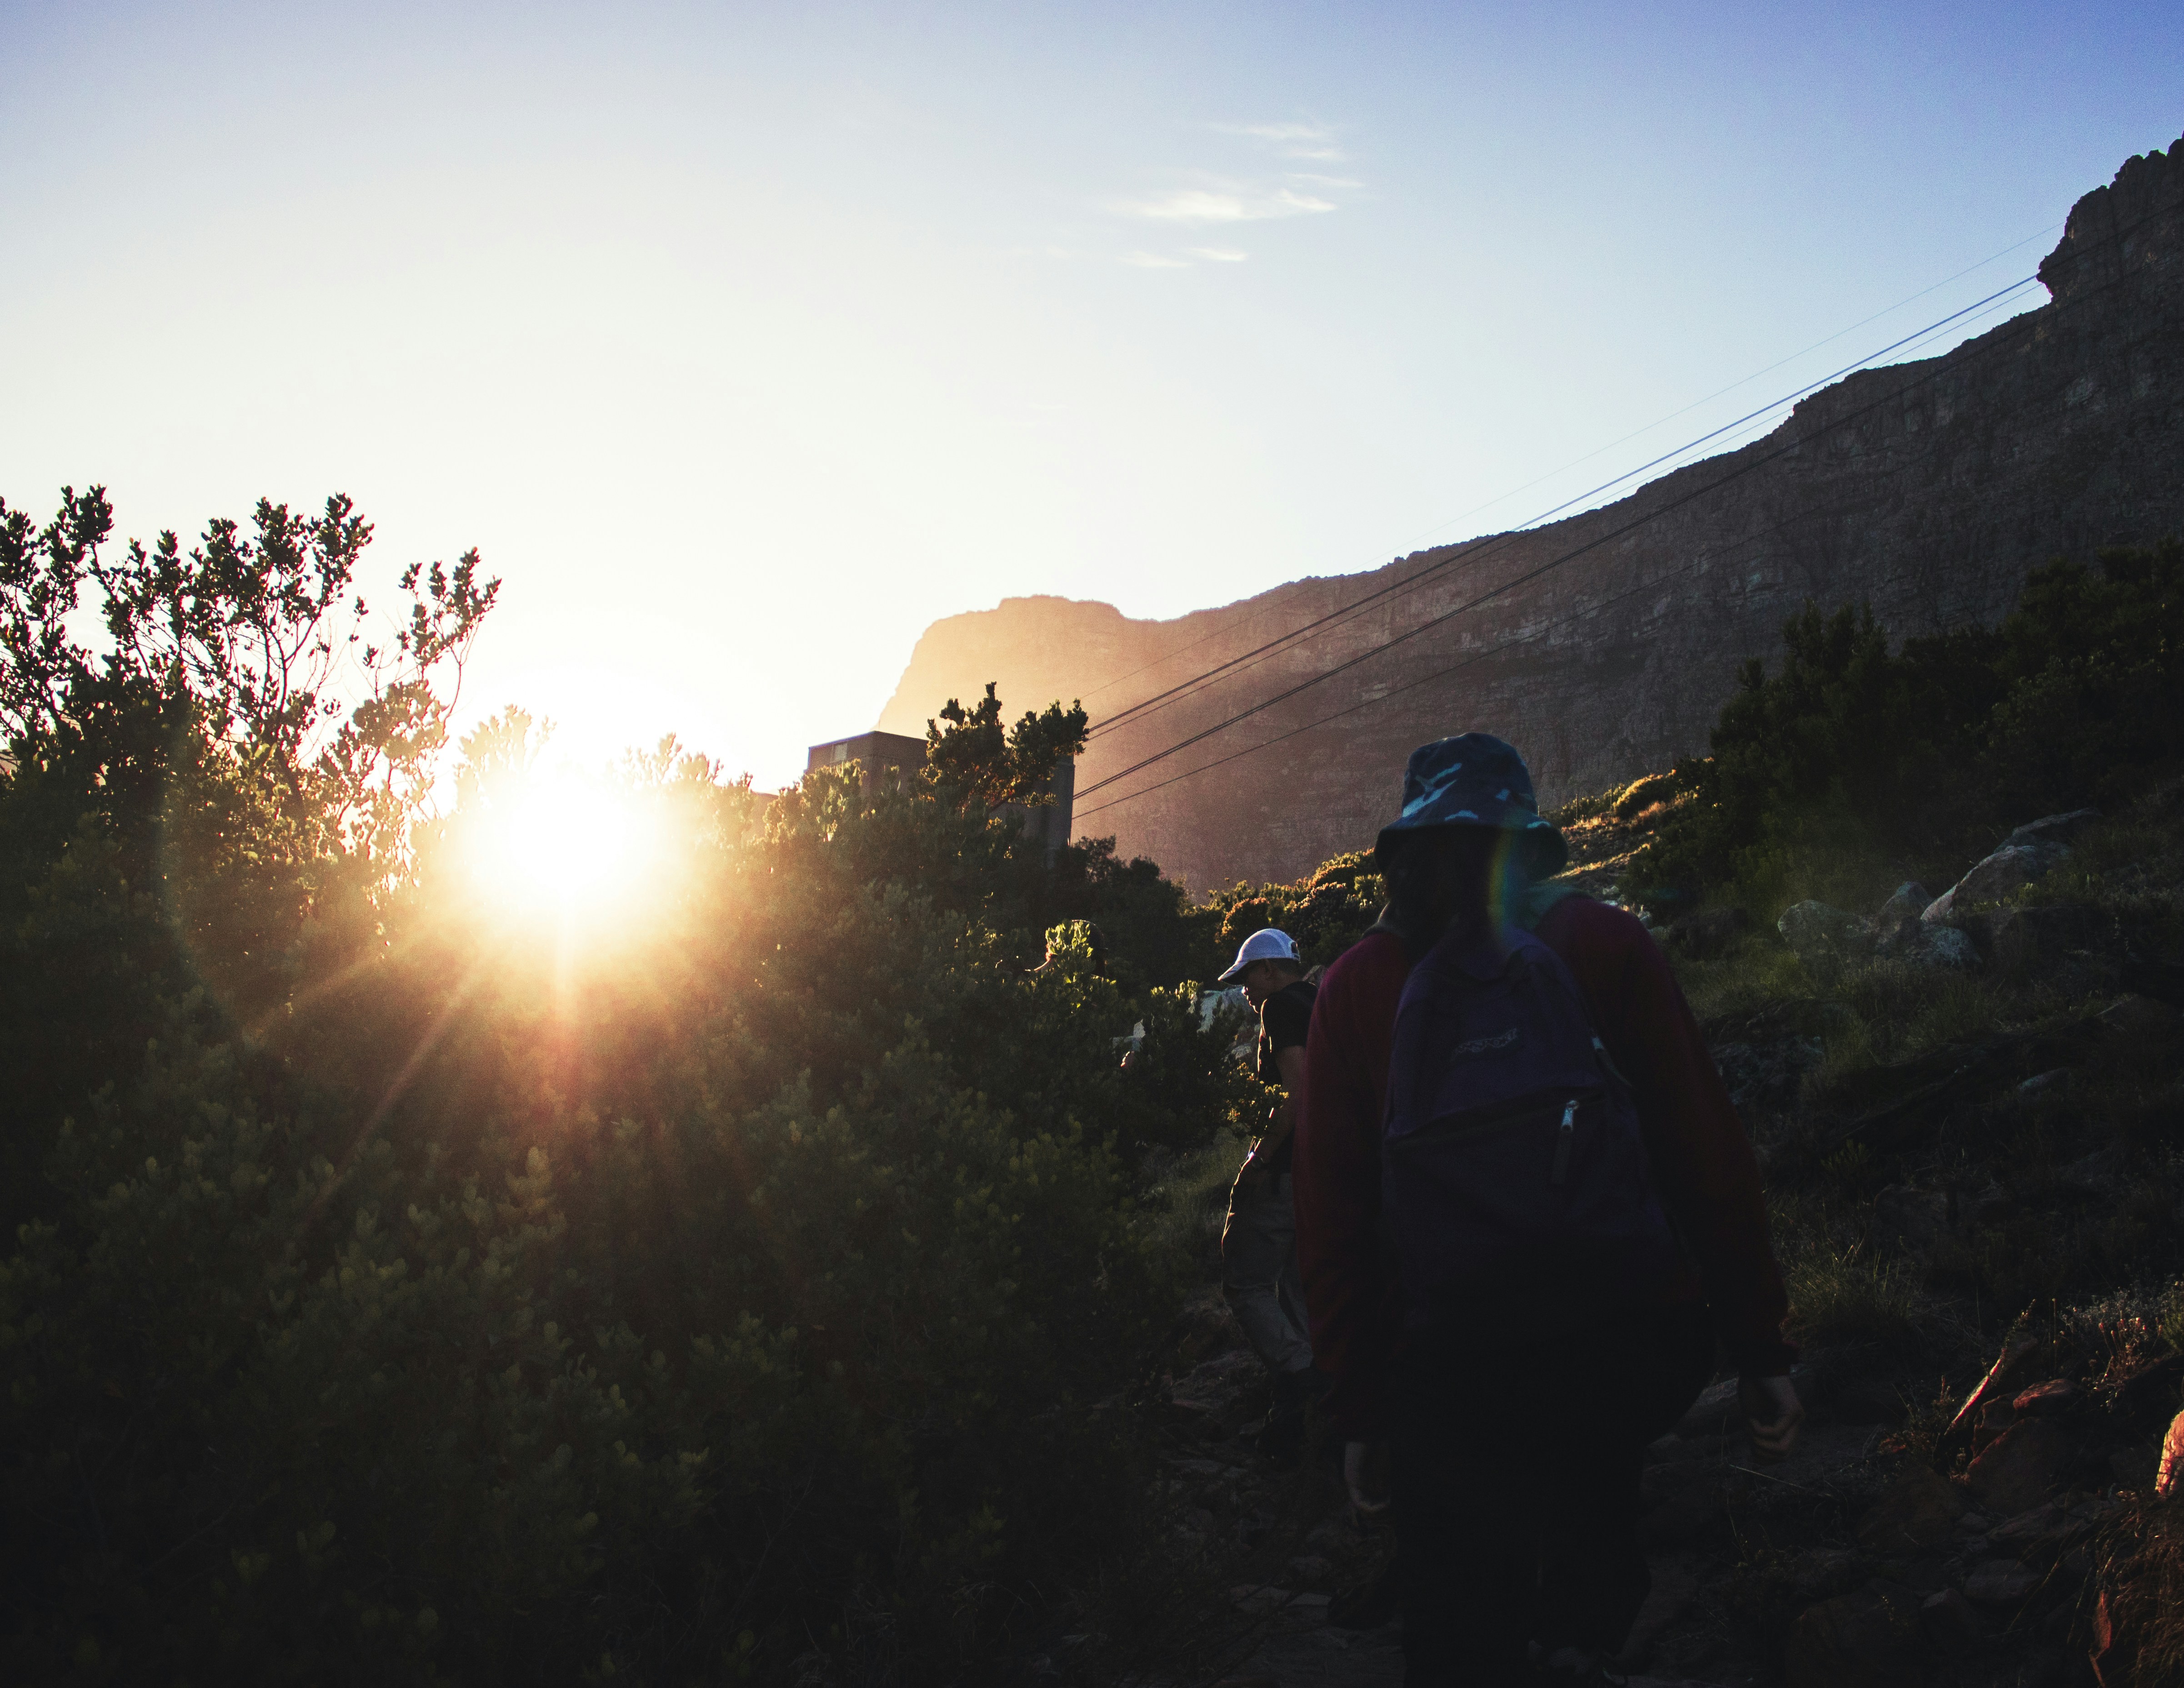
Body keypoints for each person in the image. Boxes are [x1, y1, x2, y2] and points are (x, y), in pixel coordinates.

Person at [1294, 734, 1802, 1687]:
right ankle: (1583, 1631)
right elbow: (1705, 1158)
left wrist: (1358, 1409)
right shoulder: (1603, 942)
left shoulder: (1355, 987)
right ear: (1525, 838)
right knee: (1589, 1506)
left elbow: (1333, 1221)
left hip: (1446, 1367)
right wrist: (1758, 1345)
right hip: (1623, 1343)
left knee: (1457, 1604)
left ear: (1405, 848)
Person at [1215, 926, 1329, 1461]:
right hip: (1324, 1172)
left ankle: (1300, 1376)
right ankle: (1308, 1413)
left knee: (1244, 1280)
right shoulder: (1320, 999)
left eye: (1246, 977)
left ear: (1268, 970)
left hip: (1286, 1171)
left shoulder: (1281, 1008)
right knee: (1297, 1285)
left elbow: (1296, 1092)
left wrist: (1258, 1161)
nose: (1242, 989)